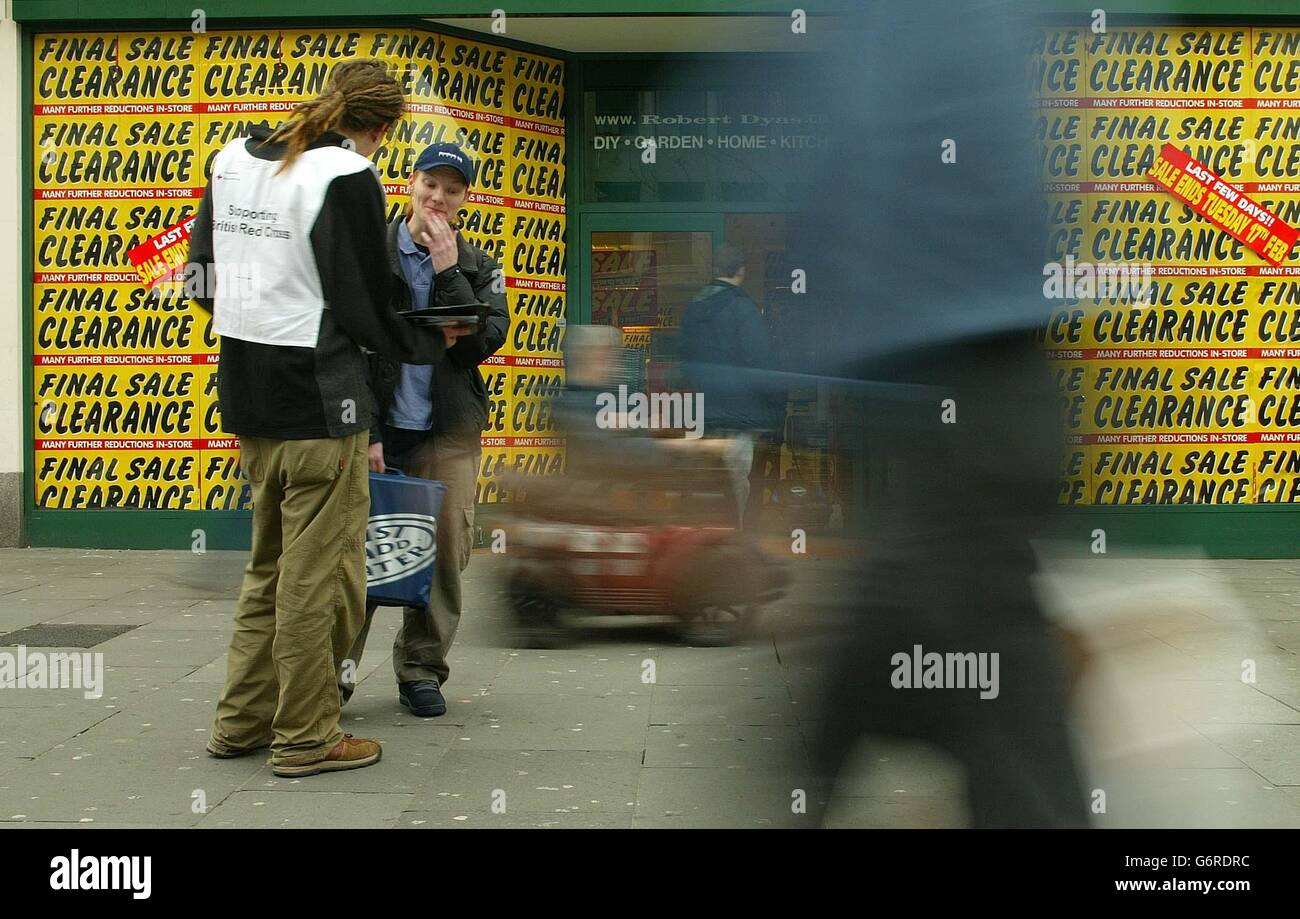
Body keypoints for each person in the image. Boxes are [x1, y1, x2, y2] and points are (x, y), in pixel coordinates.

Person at [184, 60, 474, 777]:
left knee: (268, 569)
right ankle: (307, 736)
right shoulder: (345, 177)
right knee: (317, 577)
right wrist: (429, 337)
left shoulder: (233, 158)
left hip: (249, 397)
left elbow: (202, 279)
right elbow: (367, 309)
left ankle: (240, 723)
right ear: (381, 129)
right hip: (322, 405)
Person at [339, 142, 509, 717]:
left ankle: (420, 670)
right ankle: (336, 671)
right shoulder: (370, 255)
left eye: (452, 189)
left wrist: (446, 270)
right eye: (429, 184)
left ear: (465, 199)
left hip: (447, 433)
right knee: (359, 553)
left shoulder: (479, 265)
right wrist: (365, 429)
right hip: (379, 431)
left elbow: (482, 345)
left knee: (445, 555)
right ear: (410, 183)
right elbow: (347, 347)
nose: (438, 197)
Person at [678, 243, 778, 526]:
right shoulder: (744, 310)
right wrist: (774, 405)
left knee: (711, 487)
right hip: (740, 416)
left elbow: (685, 361)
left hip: (706, 417)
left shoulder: (694, 308)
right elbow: (759, 363)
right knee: (739, 490)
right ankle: (735, 548)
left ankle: (710, 547)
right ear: (742, 271)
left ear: (715, 269)